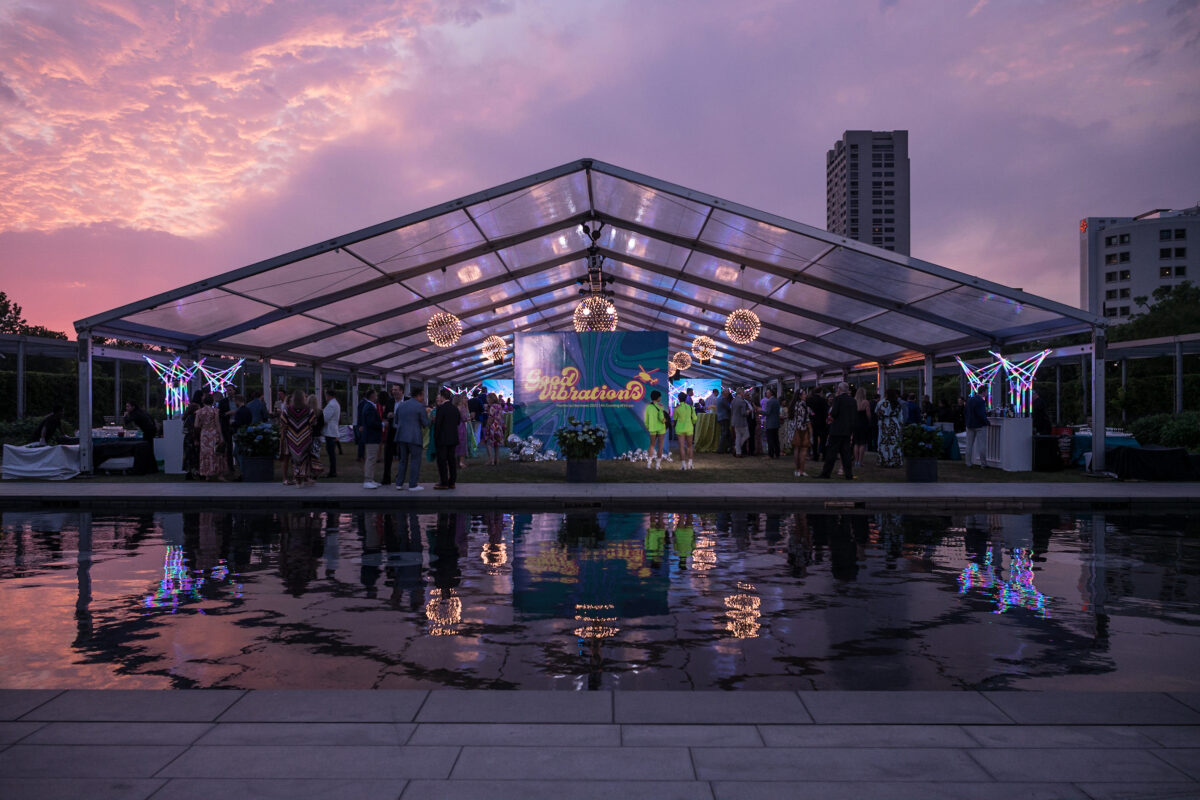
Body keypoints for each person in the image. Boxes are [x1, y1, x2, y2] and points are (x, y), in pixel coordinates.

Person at [391, 386, 428, 490]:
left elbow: (396, 422)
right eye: (423, 396)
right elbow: (425, 423)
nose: (423, 399)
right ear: (419, 395)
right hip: (414, 437)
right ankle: (413, 484)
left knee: (403, 460)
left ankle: (399, 483)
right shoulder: (420, 406)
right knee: (415, 460)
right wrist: (431, 418)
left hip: (401, 436)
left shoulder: (401, 405)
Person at [818, 382, 856, 480]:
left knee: (832, 452)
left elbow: (834, 413)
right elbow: (853, 416)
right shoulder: (853, 401)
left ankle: (826, 473)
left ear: (839, 389)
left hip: (837, 430)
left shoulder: (838, 399)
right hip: (847, 430)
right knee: (846, 453)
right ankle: (848, 474)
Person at [432, 388, 461, 489]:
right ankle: (452, 481)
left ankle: (444, 482)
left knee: (442, 461)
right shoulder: (455, 408)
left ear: (443, 396)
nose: (438, 397)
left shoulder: (441, 408)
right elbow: (458, 422)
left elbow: (438, 425)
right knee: (451, 460)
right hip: (453, 438)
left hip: (442, 439)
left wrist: (435, 437)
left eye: (439, 395)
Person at [195, 394, 223, 481]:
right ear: (212, 401)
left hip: (204, 434)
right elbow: (218, 424)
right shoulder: (215, 411)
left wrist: (202, 426)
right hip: (213, 433)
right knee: (215, 453)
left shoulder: (199, 412)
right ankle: (217, 473)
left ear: (203, 401)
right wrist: (221, 436)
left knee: (205, 453)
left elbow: (196, 425)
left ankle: (207, 474)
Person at [358, 389, 382, 488]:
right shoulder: (370, 407)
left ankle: (371, 479)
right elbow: (371, 423)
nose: (377, 397)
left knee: (372, 458)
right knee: (371, 458)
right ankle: (367, 480)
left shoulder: (369, 406)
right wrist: (382, 424)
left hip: (371, 436)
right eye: (376, 395)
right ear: (372, 396)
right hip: (371, 437)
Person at [875, 388, 904, 468]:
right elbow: (900, 417)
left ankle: (884, 460)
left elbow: (878, 413)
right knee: (894, 443)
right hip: (894, 423)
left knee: (884, 442)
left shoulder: (881, 403)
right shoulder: (897, 403)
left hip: (884, 423)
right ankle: (895, 460)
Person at [381, 385, 403, 486]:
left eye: (396, 390)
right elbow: (384, 414)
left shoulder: (407, 401)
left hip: (403, 431)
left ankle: (400, 478)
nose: (394, 392)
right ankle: (386, 478)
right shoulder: (390, 401)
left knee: (402, 455)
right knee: (387, 454)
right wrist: (387, 415)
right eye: (393, 389)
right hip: (392, 431)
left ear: (401, 391)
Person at [788, 390, 813, 478]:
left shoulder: (793, 405)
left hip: (794, 429)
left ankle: (797, 470)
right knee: (803, 450)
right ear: (800, 396)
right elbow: (807, 419)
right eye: (804, 394)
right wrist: (810, 430)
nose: (805, 396)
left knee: (796, 450)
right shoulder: (803, 405)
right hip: (802, 429)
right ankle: (801, 470)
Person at [643, 389, 668, 469]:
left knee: (652, 445)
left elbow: (646, 420)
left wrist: (648, 427)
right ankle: (657, 465)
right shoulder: (660, 406)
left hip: (652, 428)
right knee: (660, 446)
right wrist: (665, 420)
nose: (660, 398)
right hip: (661, 428)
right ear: (657, 398)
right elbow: (661, 418)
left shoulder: (648, 407)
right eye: (660, 397)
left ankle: (649, 464)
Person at [965, 390, 990, 468]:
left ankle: (968, 463)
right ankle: (983, 464)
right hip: (979, 425)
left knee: (969, 444)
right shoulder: (981, 401)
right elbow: (981, 414)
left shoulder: (969, 400)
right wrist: (987, 422)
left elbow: (965, 412)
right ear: (984, 392)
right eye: (986, 392)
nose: (987, 394)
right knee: (982, 445)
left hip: (970, 424)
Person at [481, 392, 506, 466]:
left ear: (491, 399)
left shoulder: (492, 407)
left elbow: (491, 417)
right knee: (496, 443)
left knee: (488, 443)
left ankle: (490, 460)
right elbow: (502, 417)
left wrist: (487, 426)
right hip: (499, 426)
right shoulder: (499, 406)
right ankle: (497, 459)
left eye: (488, 398)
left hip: (493, 426)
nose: (487, 400)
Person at [674, 391, 697, 470]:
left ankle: (683, 465)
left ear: (678, 399)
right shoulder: (691, 407)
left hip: (680, 428)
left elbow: (675, 418)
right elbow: (694, 418)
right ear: (686, 398)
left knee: (681, 447)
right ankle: (690, 464)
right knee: (690, 446)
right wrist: (692, 423)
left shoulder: (677, 408)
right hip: (689, 428)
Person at [322, 389, 341, 478]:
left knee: (331, 453)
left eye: (326, 395)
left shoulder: (331, 405)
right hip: (332, 431)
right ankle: (333, 471)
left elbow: (325, 418)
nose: (325, 397)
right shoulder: (335, 404)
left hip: (330, 431)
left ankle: (332, 472)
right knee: (331, 453)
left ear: (329, 395)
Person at [807, 388, 828, 461]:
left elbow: (808, 410)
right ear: (820, 392)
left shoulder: (810, 400)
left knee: (815, 440)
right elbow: (826, 412)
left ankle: (815, 456)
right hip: (822, 422)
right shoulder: (823, 400)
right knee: (823, 439)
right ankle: (824, 455)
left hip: (813, 422)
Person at [453, 392, 473, 470]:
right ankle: (461, 462)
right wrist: (470, 418)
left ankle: (455, 462)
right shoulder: (462, 407)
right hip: (461, 427)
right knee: (462, 444)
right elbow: (465, 418)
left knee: (455, 445)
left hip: (454, 427)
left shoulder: (453, 407)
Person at [853, 387, 871, 468]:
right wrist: (869, 420)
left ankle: (856, 461)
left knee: (856, 443)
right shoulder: (865, 402)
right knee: (862, 443)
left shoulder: (854, 401)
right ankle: (860, 462)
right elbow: (868, 415)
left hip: (855, 424)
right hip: (863, 424)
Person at [730, 390, 750, 458]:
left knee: (738, 437)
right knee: (746, 435)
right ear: (740, 393)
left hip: (734, 421)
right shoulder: (742, 401)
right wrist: (748, 411)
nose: (744, 394)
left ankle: (738, 452)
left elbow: (732, 411)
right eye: (743, 393)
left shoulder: (733, 401)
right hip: (741, 422)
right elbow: (743, 413)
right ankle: (736, 448)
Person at [763, 389, 781, 459]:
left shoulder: (769, 401)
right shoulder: (776, 401)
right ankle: (777, 453)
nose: (766, 394)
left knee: (770, 439)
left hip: (770, 423)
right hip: (776, 423)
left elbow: (767, 413)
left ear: (770, 393)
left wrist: (759, 411)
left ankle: (771, 454)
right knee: (776, 439)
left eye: (767, 393)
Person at [716, 388, 732, 454]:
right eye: (727, 393)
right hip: (724, 417)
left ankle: (728, 447)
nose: (728, 394)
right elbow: (729, 408)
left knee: (726, 433)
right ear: (724, 393)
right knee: (724, 433)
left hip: (720, 417)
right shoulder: (723, 399)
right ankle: (720, 449)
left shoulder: (719, 398)